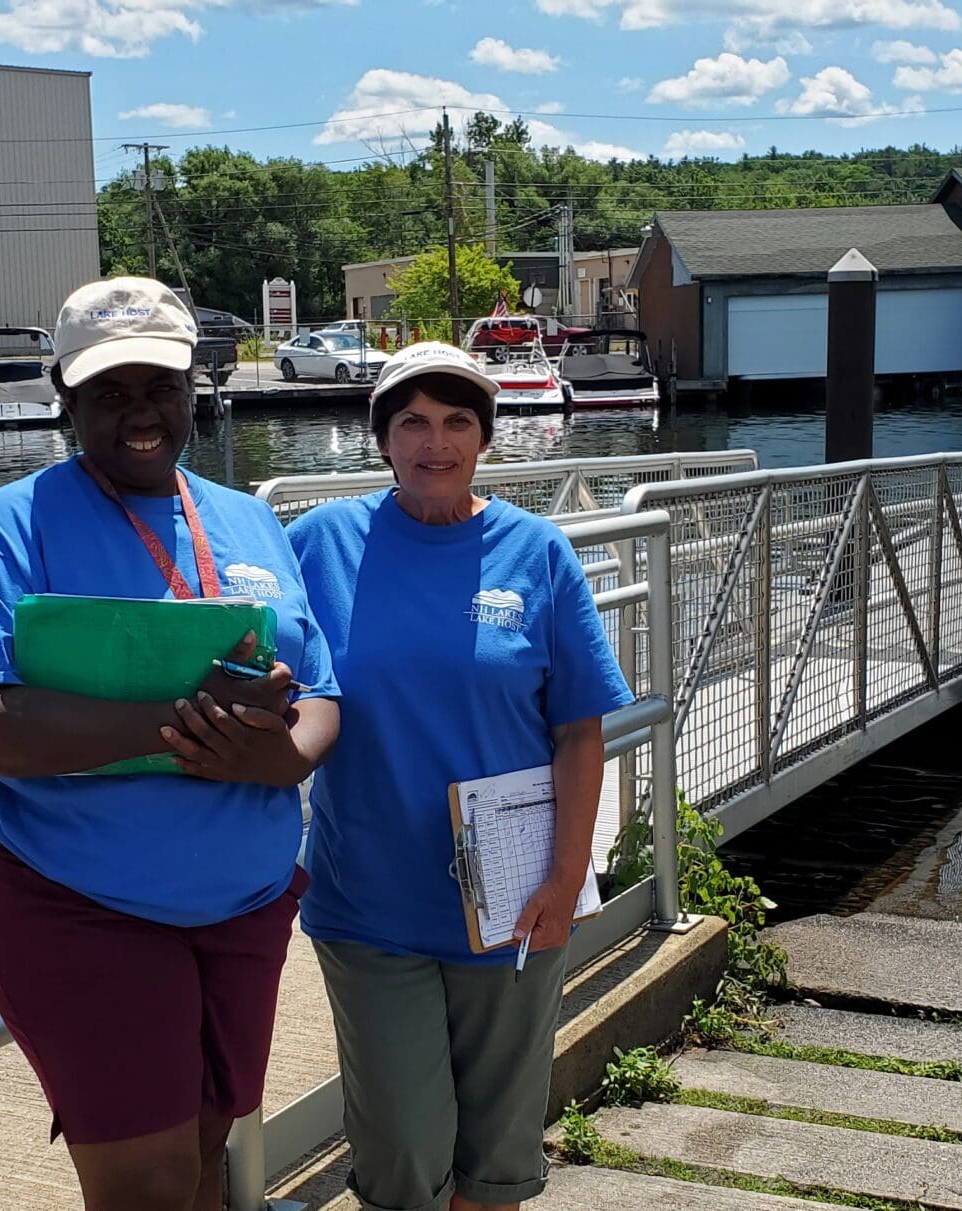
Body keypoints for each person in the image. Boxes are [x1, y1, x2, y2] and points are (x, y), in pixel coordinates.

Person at [0, 277, 342, 1211]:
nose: (140, 413)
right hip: (84, 901)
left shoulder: (247, 518)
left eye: (160, 386)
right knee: (146, 1185)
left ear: (195, 388)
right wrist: (184, 722)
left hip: (245, 901)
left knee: (204, 1154)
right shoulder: (16, 522)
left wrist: (284, 756)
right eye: (108, 392)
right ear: (65, 397)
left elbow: (321, 690)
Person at [287, 342, 636, 1211]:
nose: (434, 443)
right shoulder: (321, 544)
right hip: (368, 900)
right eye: (412, 422)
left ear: (484, 437)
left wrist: (566, 875)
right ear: (382, 439)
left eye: (456, 422)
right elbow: (253, 659)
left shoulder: (536, 551)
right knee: (402, 1152)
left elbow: (579, 730)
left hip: (512, 901)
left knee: (497, 1157)